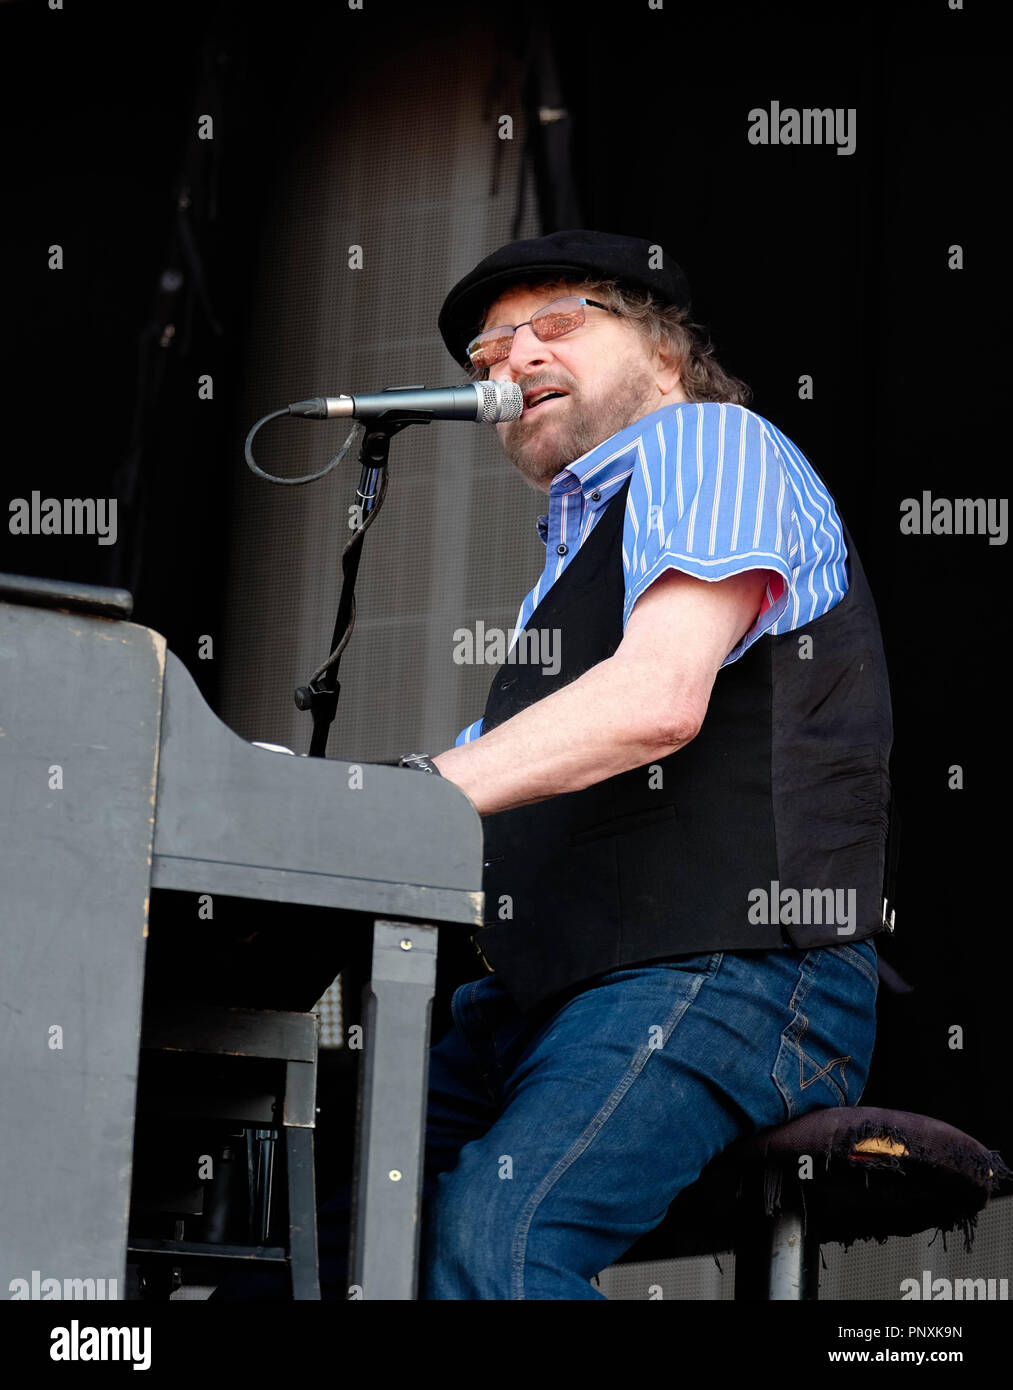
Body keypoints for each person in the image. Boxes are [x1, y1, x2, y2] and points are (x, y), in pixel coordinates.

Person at [218, 228, 893, 1301]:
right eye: (488, 351)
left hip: (722, 967)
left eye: (556, 324)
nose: (508, 359)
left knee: (499, 1247)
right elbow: (480, 785)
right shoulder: (571, 559)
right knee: (296, 1258)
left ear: (664, 353)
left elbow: (655, 702)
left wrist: (404, 795)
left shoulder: (708, 444)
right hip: (533, 1000)